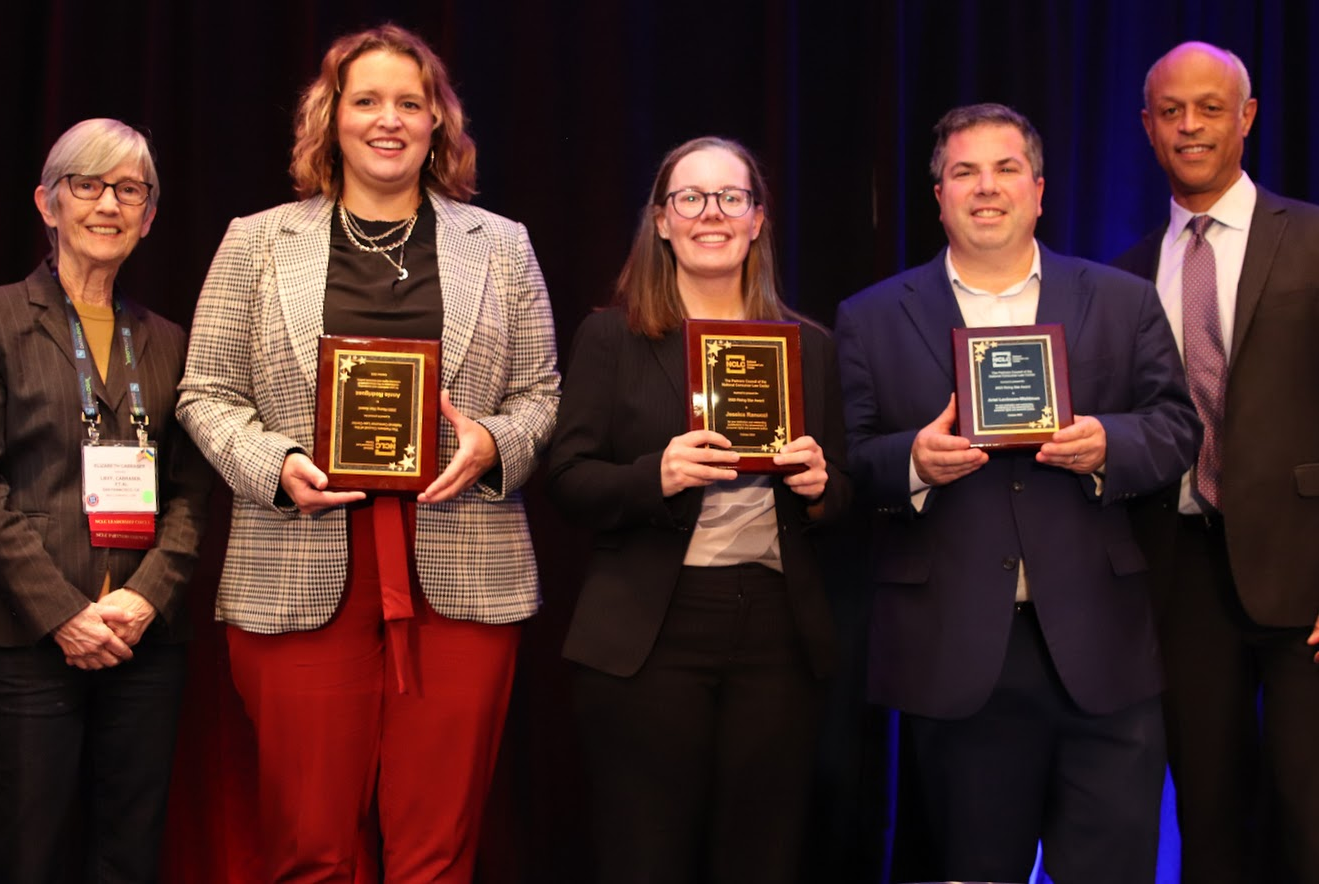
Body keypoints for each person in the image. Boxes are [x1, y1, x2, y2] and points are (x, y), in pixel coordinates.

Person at [176, 24, 558, 883]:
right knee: (307, 846)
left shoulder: (501, 244)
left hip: (463, 569)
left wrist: (494, 442)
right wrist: (273, 466)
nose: (388, 120)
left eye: (409, 104)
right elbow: (205, 389)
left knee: (437, 849)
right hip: (296, 562)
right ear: (330, 119)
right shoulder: (256, 239)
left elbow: (542, 395)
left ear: (437, 126)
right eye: (367, 101)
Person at [835, 103, 1200, 884]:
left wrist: (1110, 444)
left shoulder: (1121, 299)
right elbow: (851, 460)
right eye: (964, 171)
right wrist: (914, 462)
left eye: (1005, 169)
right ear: (938, 196)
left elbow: (1177, 428)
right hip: (958, 653)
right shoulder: (870, 318)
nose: (986, 187)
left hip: (1101, 647)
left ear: (1039, 190)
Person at [547, 136, 851, 884]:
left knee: (763, 859)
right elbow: (567, 481)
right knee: (644, 857)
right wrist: (659, 473)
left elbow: (846, 490)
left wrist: (821, 489)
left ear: (756, 221)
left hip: (780, 630)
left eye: (731, 197)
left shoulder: (809, 347)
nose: (709, 212)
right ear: (660, 220)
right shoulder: (611, 338)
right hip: (650, 634)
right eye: (690, 197)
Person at [1113, 41, 1319, 884]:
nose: (1189, 125)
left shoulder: (1310, 237)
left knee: (1312, 820)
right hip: (1181, 575)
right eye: (1171, 111)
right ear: (1148, 126)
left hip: (1307, 571)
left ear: (1248, 117)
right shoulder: (1125, 274)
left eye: (1208, 106)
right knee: (1207, 822)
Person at [0, 118, 211, 882]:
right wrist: (62, 613)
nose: (107, 204)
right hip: (26, 640)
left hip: (145, 640)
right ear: (47, 204)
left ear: (149, 217)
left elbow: (191, 490)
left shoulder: (172, 341)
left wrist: (147, 598)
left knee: (130, 852)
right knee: (29, 852)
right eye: (86, 185)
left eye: (129, 190)